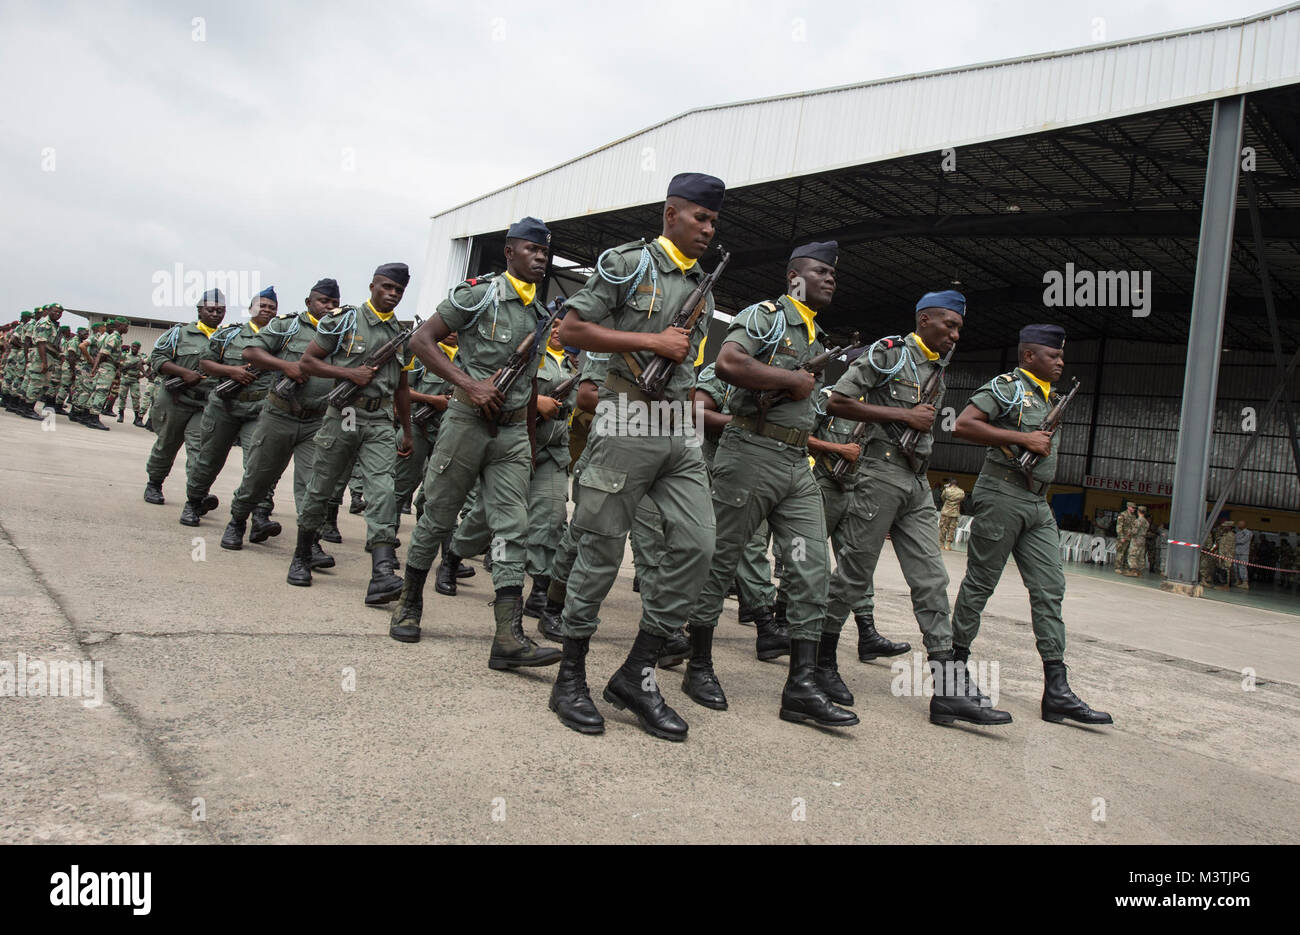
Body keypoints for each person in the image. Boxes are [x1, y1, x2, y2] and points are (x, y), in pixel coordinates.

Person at [546, 173, 724, 741]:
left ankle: (636, 673)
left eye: (714, 221)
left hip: (675, 427)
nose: (708, 229)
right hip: (625, 417)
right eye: (701, 218)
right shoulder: (628, 264)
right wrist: (649, 342)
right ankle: (570, 676)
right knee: (599, 552)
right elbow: (573, 327)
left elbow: (687, 362)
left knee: (699, 545)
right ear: (672, 213)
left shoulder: (705, 287)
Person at [682, 241, 863, 728]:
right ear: (794, 277)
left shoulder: (814, 333)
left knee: (810, 569)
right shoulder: (767, 317)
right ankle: (697, 665)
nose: (830, 279)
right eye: (820, 271)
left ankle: (801, 687)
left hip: (795, 463)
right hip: (750, 454)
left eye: (833, 273)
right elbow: (729, 363)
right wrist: (790, 378)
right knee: (720, 561)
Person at [386, 218, 561, 673]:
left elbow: (529, 382)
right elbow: (422, 341)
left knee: (511, 529)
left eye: (545, 252)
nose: (540, 257)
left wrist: (525, 437)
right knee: (438, 515)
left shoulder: (541, 318)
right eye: (531, 250)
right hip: (465, 422)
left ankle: (508, 634)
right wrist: (470, 385)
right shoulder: (478, 295)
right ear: (509, 252)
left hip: (510, 436)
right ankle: (409, 602)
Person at [825, 291, 1007, 725]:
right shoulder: (888, 354)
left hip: (916, 481)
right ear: (924, 320)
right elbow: (838, 401)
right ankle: (820, 661)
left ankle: (946, 687)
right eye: (949, 325)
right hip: (879, 474)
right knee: (854, 574)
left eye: (959, 328)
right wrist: (902, 417)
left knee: (932, 579)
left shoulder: (937, 367)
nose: (955, 334)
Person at [950, 323, 1111, 726]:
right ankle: (952, 672)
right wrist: (1022, 440)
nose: (1060, 361)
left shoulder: (1050, 396)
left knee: (1050, 589)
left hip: (1038, 503)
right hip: (1002, 494)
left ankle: (1056, 689)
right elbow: (964, 424)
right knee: (980, 583)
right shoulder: (1006, 386)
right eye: (1053, 356)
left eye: (1061, 356)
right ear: (1028, 357)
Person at [286, 264, 413, 606]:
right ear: (372, 285)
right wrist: (348, 373)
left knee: (384, 490)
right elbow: (308, 362)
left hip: (380, 420)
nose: (392, 293)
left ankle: (382, 572)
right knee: (322, 485)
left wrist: (407, 429)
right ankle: (302, 554)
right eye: (386, 286)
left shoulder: (402, 335)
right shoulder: (343, 321)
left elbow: (402, 387)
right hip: (343, 414)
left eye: (398, 290)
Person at [219, 279, 341, 554]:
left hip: (317, 421)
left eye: (334, 303)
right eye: (324, 301)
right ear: (309, 303)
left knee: (312, 485)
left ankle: (310, 544)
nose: (329, 307)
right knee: (258, 477)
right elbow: (251, 352)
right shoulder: (288, 326)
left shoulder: (343, 331)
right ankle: (237, 521)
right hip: (279, 415)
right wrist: (286, 365)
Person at [181, 288, 281, 527]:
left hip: (259, 409)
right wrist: (232, 371)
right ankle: (193, 502)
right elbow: (205, 363)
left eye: (271, 308)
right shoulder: (230, 334)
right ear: (251, 308)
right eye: (262, 306)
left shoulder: (282, 339)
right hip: (224, 406)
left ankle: (259, 514)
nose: (266, 310)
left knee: (259, 463)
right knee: (209, 458)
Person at [144, 291, 228, 506]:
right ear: (199, 310)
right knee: (167, 445)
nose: (216, 314)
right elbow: (157, 358)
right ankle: (154, 483)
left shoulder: (227, 338)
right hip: (175, 399)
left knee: (199, 448)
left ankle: (197, 494)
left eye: (220, 310)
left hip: (204, 404)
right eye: (211, 309)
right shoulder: (179, 333)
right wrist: (183, 373)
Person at [117, 341, 145, 424]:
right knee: (122, 396)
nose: (134, 348)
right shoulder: (125, 355)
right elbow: (119, 365)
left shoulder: (141, 357)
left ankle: (137, 418)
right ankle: (121, 415)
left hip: (134, 379)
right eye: (132, 346)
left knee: (136, 398)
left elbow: (148, 363)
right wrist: (119, 372)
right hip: (125, 378)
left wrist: (143, 375)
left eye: (136, 347)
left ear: (139, 348)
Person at [938, 477, 965, 550]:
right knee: (952, 529)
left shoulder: (946, 490)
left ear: (950, 483)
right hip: (955, 513)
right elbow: (961, 500)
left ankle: (942, 545)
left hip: (945, 512)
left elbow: (942, 498)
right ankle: (948, 545)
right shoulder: (961, 492)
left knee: (943, 528)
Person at [1125, 504, 1149, 577]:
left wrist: (1128, 532)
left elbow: (1134, 531)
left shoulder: (1138, 521)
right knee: (1141, 555)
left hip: (1136, 539)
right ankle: (1140, 572)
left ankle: (1133, 571)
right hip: (1142, 539)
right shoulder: (1146, 522)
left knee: (1132, 554)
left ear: (1138, 511)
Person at [1114, 500, 1137, 574]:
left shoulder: (1133, 516)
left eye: (1134, 508)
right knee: (1120, 552)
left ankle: (1125, 567)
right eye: (1132, 508)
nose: (1134, 509)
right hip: (1123, 537)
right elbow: (1119, 526)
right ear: (1128, 507)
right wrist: (1121, 537)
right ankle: (1117, 567)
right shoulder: (1123, 515)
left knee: (1128, 553)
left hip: (1130, 538)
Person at [1233, 520, 1253, 589]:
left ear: (1244, 524)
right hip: (1236, 552)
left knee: (1242, 568)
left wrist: (1234, 541)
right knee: (1235, 567)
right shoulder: (1238, 533)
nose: (1238, 525)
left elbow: (1242, 541)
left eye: (1240, 524)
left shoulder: (1248, 533)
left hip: (1243, 553)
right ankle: (1238, 580)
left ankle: (1245, 582)